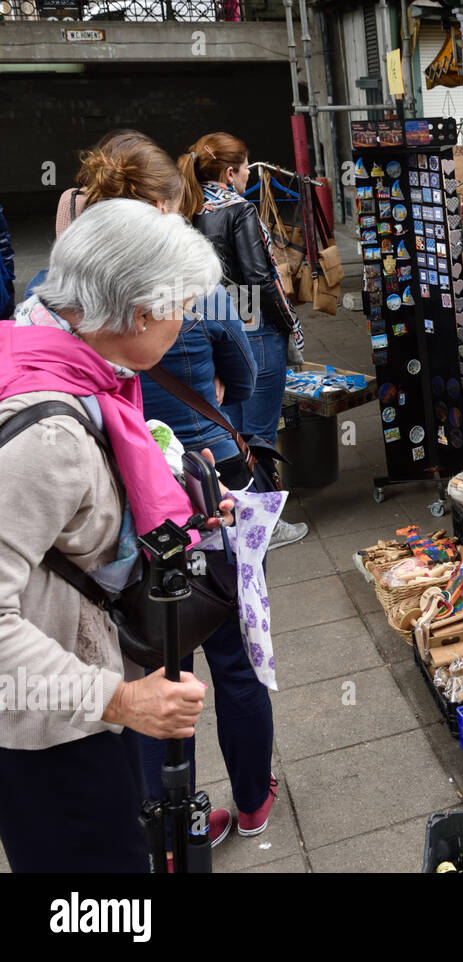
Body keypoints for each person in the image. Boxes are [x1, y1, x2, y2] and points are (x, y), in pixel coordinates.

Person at [0, 199, 228, 872]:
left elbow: (63, 523)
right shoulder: (47, 432)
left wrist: (170, 487)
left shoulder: (50, 356)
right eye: (181, 305)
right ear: (136, 312)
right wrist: (119, 699)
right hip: (52, 735)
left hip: (68, 706)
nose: (186, 319)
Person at [69, 132, 279, 845]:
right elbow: (244, 380)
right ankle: (252, 801)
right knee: (236, 652)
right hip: (206, 478)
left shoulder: (66, 298)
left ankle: (179, 820)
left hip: (126, 509)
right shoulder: (197, 284)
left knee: (157, 657)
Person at [178, 131, 308, 549]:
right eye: (246, 165)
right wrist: (289, 325)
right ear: (229, 171)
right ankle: (264, 527)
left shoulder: (186, 208)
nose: (249, 173)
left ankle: (236, 519)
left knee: (228, 430)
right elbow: (259, 279)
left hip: (211, 328)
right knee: (259, 434)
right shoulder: (239, 209)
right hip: (255, 331)